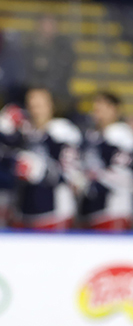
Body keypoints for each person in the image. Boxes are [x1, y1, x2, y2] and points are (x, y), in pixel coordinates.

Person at [0, 87, 81, 230]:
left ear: (51, 105)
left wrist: (41, 170)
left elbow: (72, 175)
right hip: (24, 209)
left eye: (40, 102)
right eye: (31, 102)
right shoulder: (24, 131)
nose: (35, 106)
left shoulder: (61, 131)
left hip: (54, 211)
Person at [79, 92, 133, 231]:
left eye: (102, 106)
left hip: (114, 207)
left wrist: (93, 179)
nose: (97, 110)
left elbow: (122, 174)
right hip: (92, 208)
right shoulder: (93, 135)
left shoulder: (122, 134)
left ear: (114, 109)